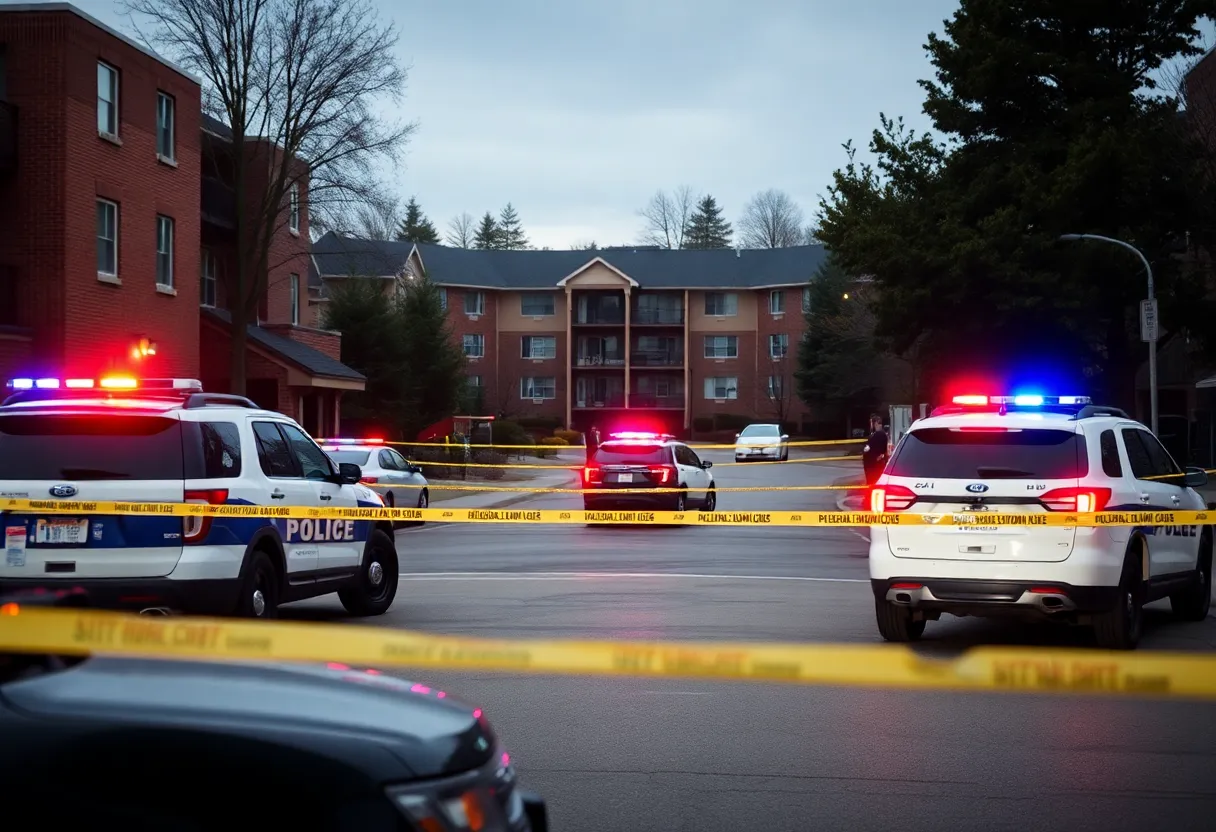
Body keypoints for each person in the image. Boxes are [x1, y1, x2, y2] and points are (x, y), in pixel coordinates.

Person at [862, 413, 889, 485]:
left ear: (875, 423)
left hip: (874, 464)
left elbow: (880, 449)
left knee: (873, 482)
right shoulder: (875, 434)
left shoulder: (879, 434)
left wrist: (880, 456)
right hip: (872, 463)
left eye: (872, 423)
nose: (871, 425)